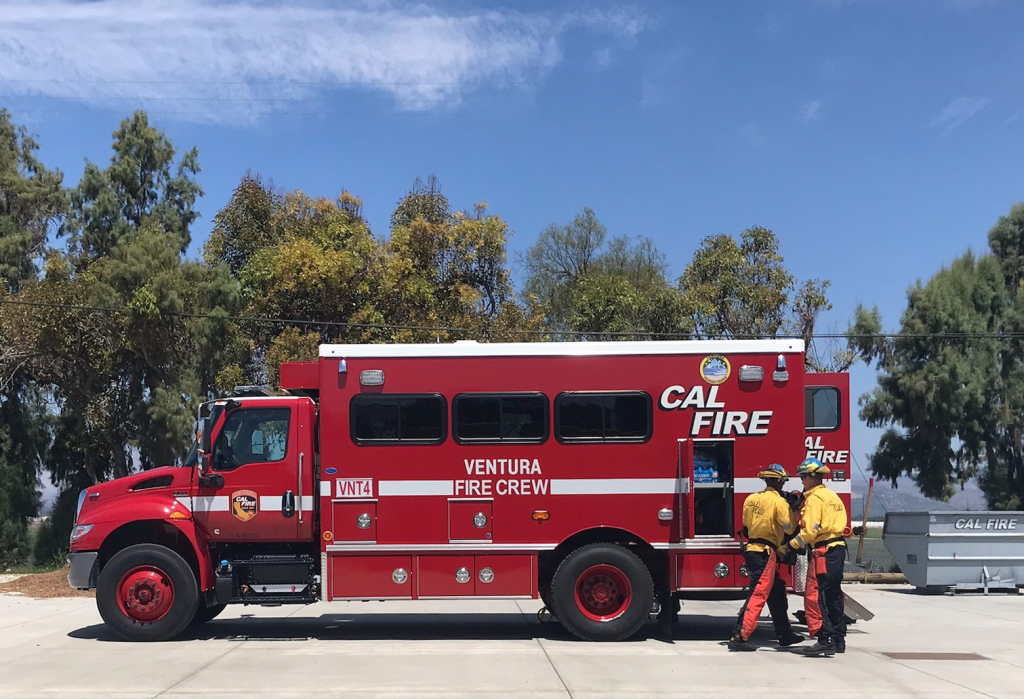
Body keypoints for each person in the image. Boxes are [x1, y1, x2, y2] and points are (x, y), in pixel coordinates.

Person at [728, 463, 805, 651]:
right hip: (766, 551)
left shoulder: (751, 499)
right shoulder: (779, 502)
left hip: (752, 548)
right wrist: (794, 511)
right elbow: (790, 528)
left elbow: (746, 524)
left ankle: (785, 634)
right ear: (779, 481)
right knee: (758, 592)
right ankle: (740, 635)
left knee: (777, 591)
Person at [779, 457, 849, 657]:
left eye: (803, 477)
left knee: (815, 596)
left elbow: (809, 533)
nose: (801, 481)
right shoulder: (832, 496)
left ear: (811, 477)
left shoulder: (814, 500)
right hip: (838, 548)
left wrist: (788, 547)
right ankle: (838, 638)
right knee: (833, 594)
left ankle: (823, 638)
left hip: (823, 552)